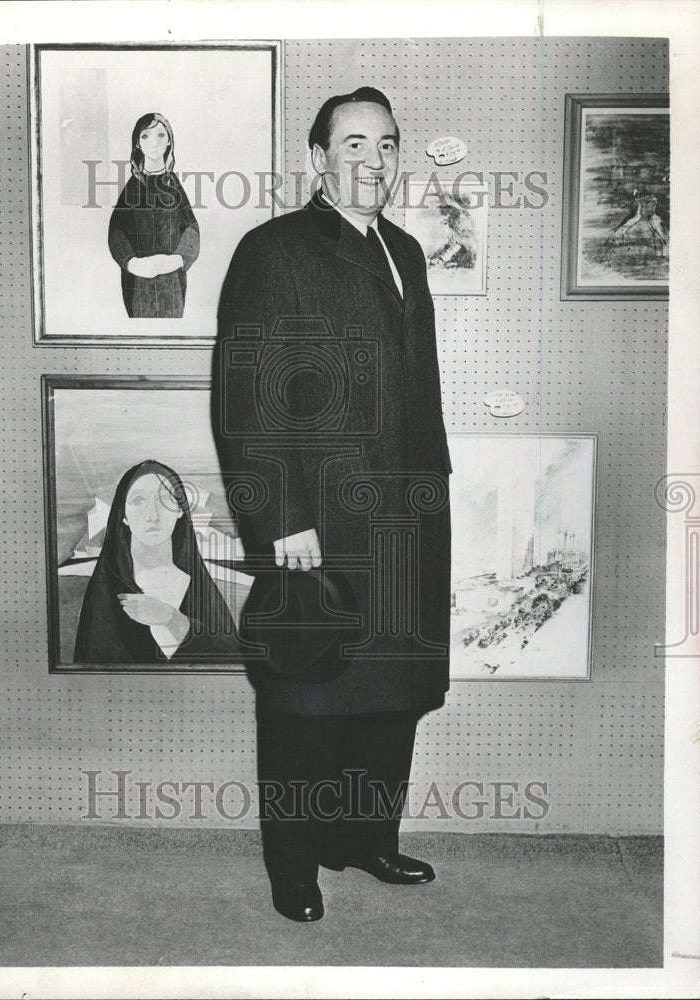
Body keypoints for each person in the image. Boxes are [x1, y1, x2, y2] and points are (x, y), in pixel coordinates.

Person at [213, 87, 453, 921]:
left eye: (386, 144)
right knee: (308, 697)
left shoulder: (409, 251)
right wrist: (282, 520)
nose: (373, 161)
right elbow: (245, 399)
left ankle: (364, 838)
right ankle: (294, 867)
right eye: (353, 145)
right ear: (318, 159)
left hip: (407, 515)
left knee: (391, 692)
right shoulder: (272, 250)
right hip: (317, 517)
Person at [74, 460, 241, 664]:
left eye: (165, 499)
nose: (152, 516)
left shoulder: (199, 589)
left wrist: (173, 621)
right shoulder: (106, 589)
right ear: (123, 516)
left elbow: (232, 660)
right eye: (138, 501)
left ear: (180, 510)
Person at [108, 113, 200, 318]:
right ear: (138, 144)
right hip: (138, 281)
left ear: (169, 142)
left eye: (160, 135)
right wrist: (132, 263)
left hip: (171, 280)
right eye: (146, 136)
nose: (154, 143)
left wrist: (178, 259)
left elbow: (191, 228)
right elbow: (116, 231)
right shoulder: (133, 187)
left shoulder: (173, 186)